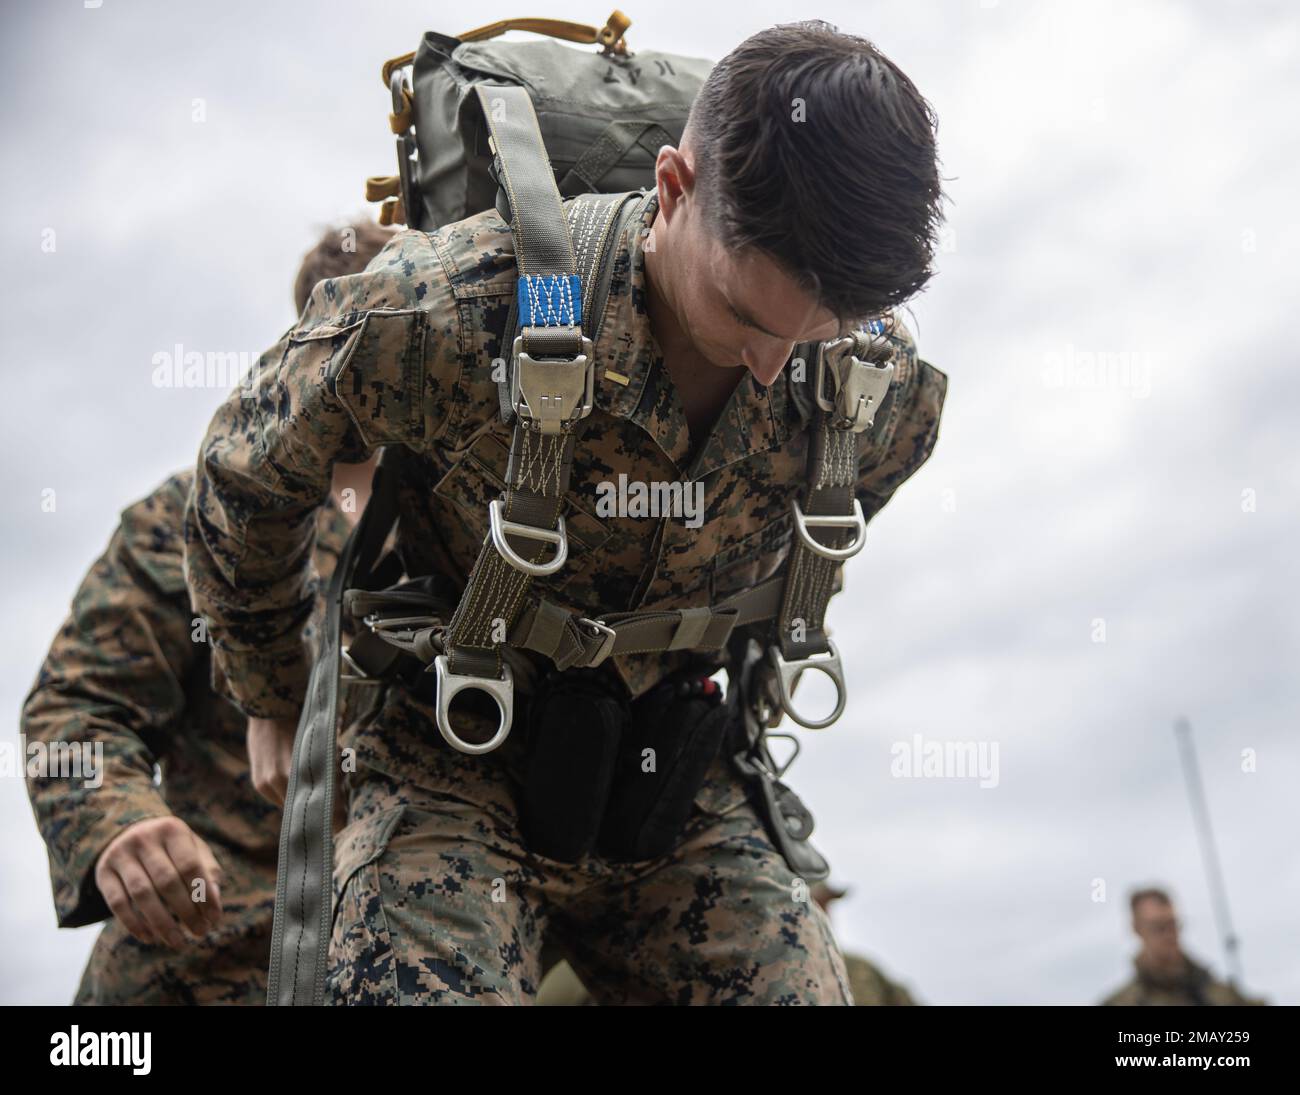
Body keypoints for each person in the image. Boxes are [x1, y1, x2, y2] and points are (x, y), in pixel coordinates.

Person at [185, 22, 948, 1005]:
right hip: (448, 760)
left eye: (819, 333)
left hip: (677, 787)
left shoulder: (879, 394)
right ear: (674, 190)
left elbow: (843, 500)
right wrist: (271, 689)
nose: (772, 366)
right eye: (747, 318)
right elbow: (243, 473)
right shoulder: (447, 314)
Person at [21, 222, 390, 1004]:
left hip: (407, 953)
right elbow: (78, 706)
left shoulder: (479, 529)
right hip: (205, 952)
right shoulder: (196, 519)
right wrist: (119, 822)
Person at [1100, 887, 1266, 1006]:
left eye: (1173, 925)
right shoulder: (1120, 1002)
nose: (1169, 935)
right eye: (1158, 927)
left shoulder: (1221, 995)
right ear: (1136, 929)